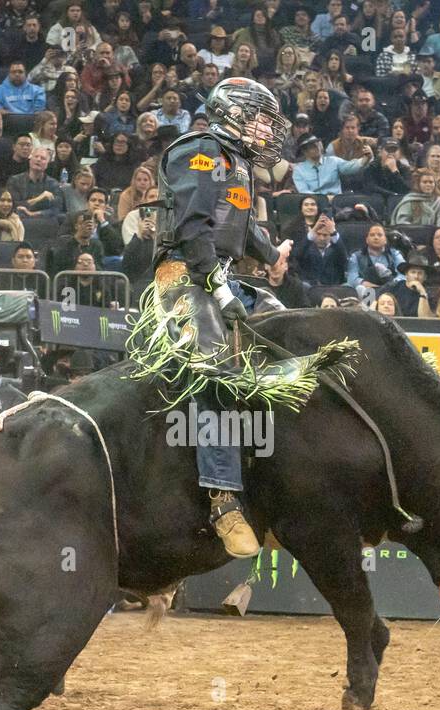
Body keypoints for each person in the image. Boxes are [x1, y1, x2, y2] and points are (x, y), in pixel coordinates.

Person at [142, 77, 307, 558]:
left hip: (226, 276)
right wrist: (215, 285)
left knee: (290, 334)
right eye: (259, 118)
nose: (266, 130)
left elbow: (242, 225)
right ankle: (222, 498)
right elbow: (194, 227)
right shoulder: (201, 151)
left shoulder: (238, 163)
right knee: (216, 368)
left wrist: (273, 253)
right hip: (181, 277)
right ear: (232, 114)